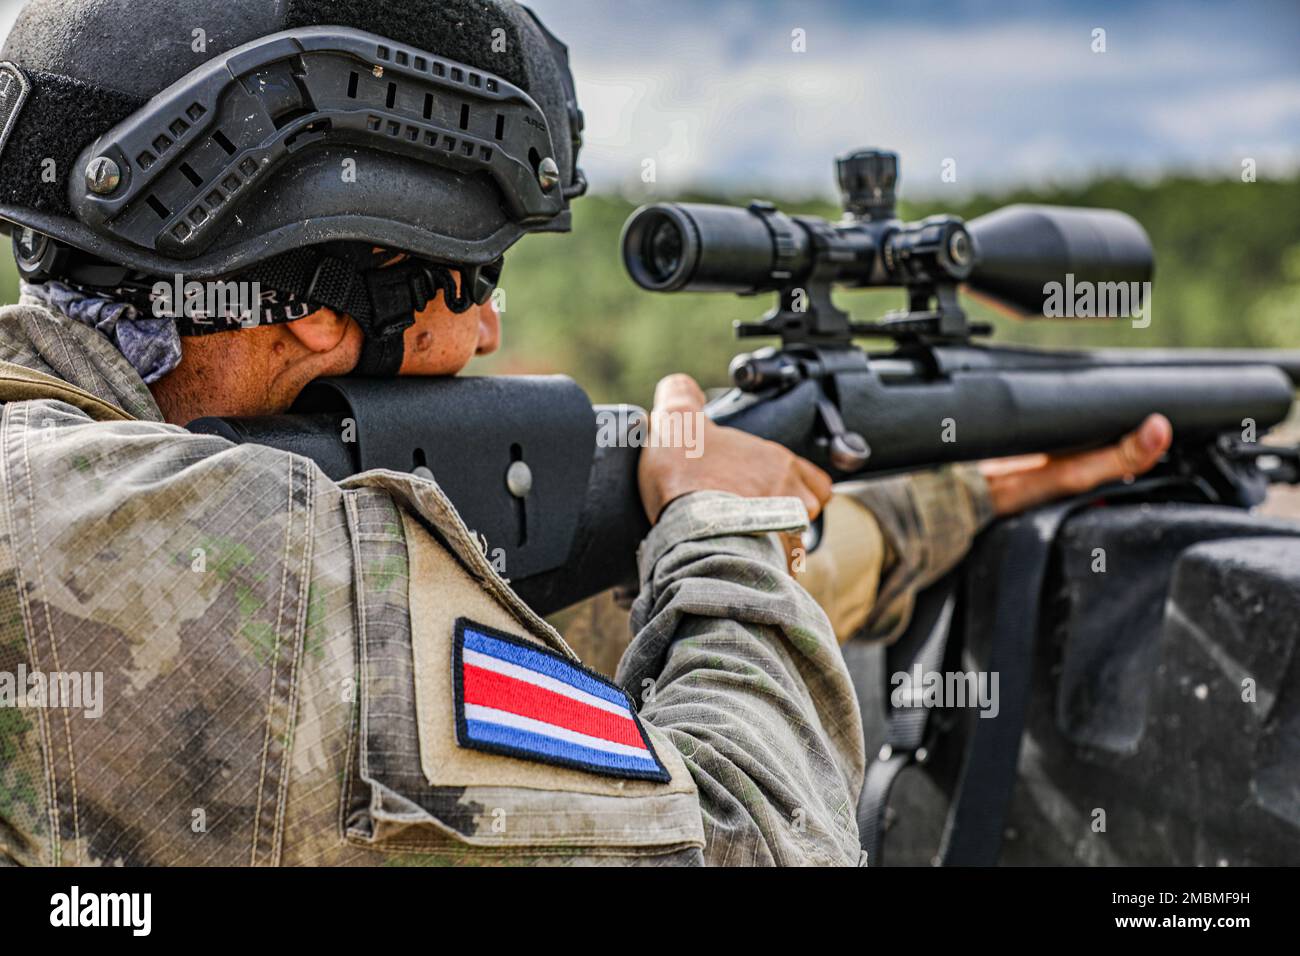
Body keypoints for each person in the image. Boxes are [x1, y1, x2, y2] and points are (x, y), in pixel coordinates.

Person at [0, 0, 1171, 867]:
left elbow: (563, 619)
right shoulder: (203, 547)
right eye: (472, 275)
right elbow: (762, 841)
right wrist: (723, 533)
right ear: (316, 307)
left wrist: (954, 485)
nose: (493, 325)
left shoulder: (70, 468)